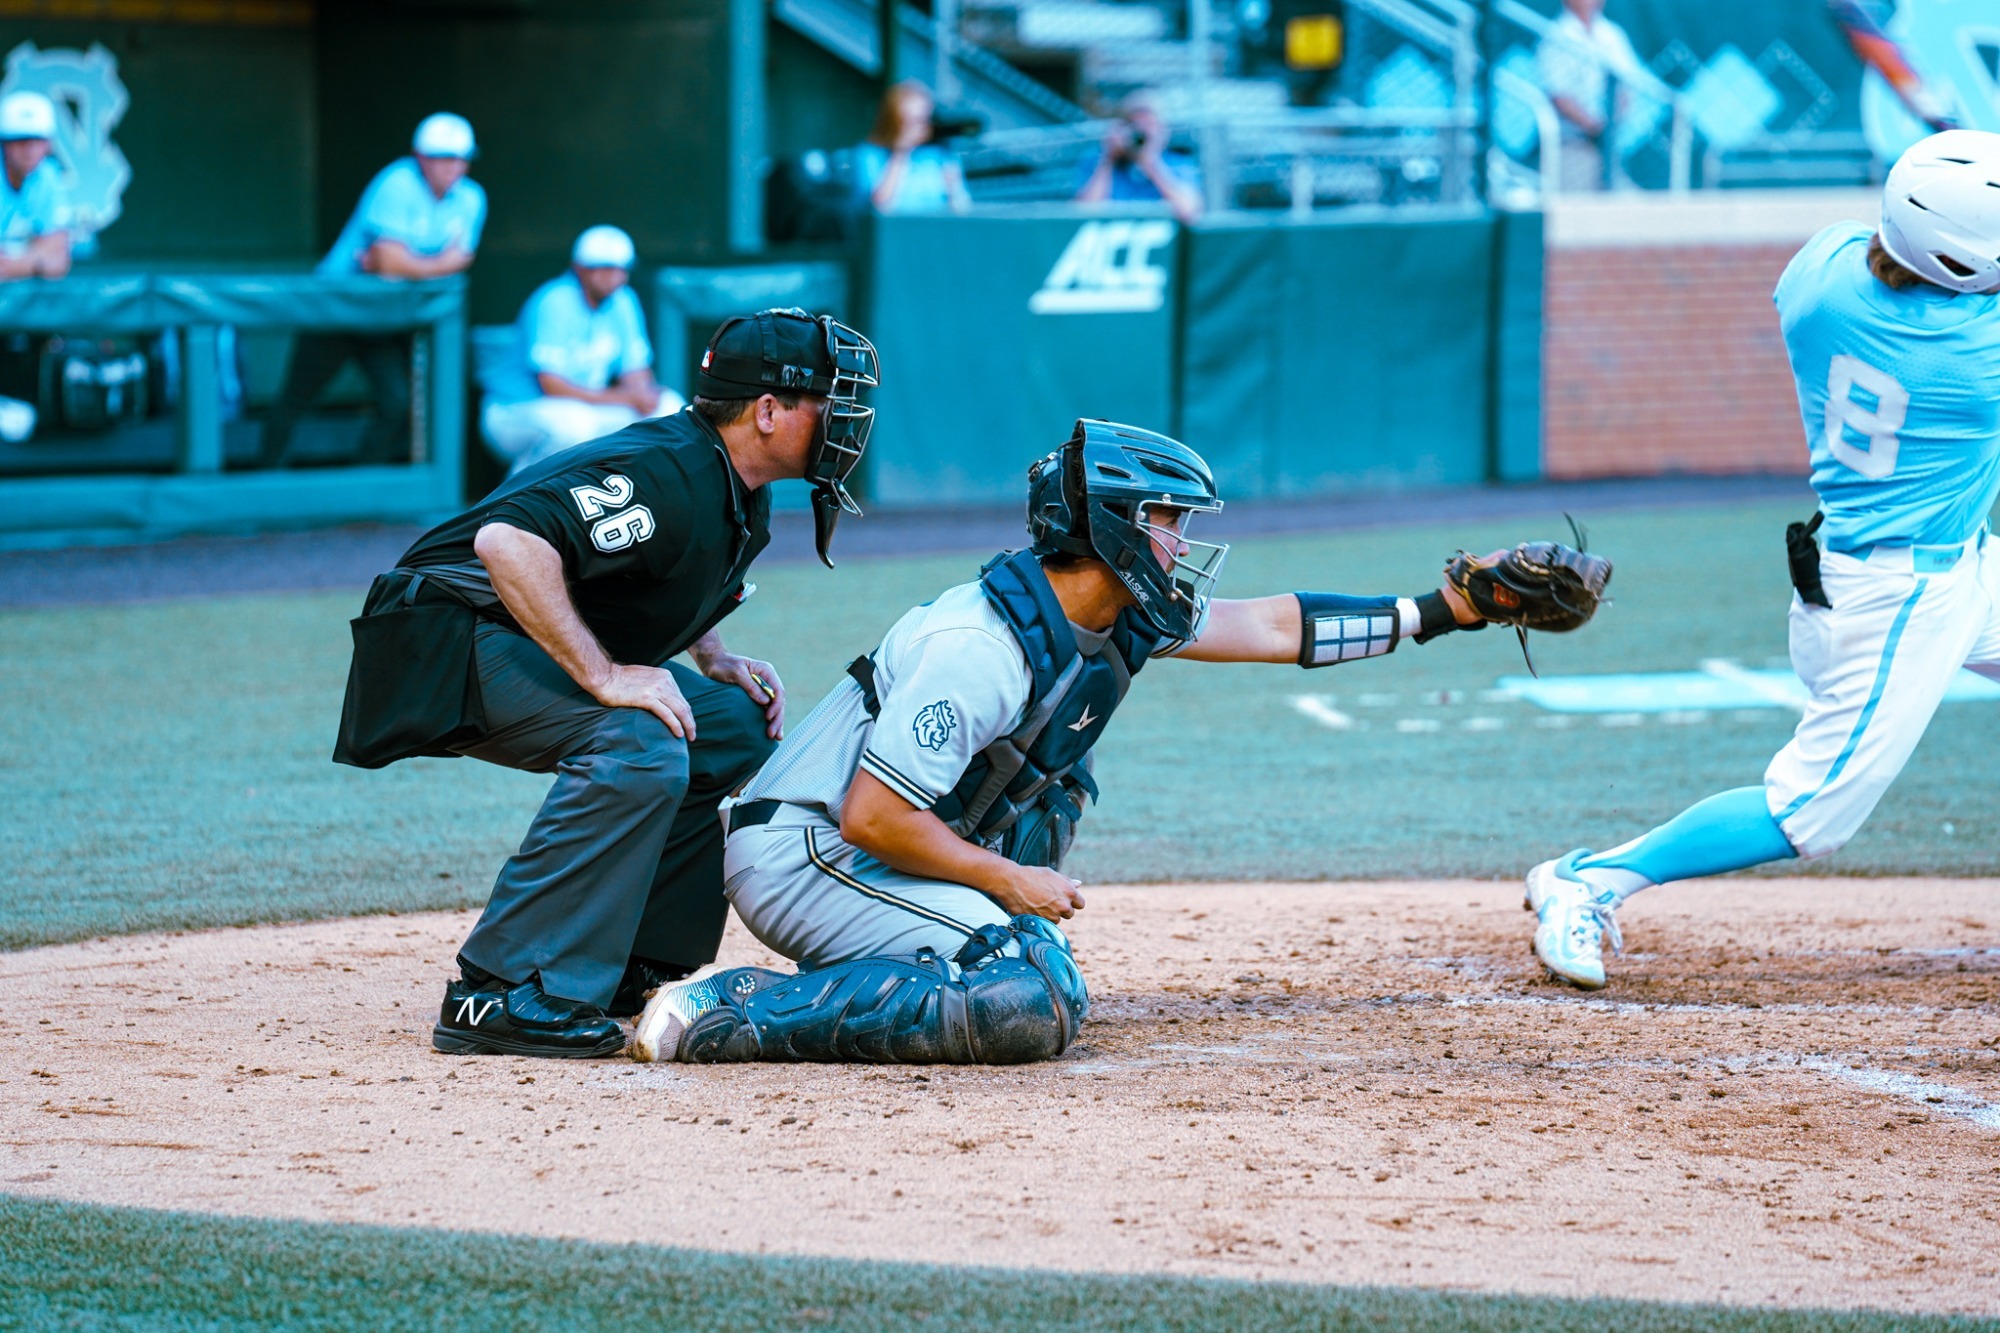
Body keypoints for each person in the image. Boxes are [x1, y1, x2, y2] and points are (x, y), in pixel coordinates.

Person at [630, 419, 1515, 1066]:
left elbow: (1276, 625)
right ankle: (735, 1009)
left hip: (857, 844)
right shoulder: (980, 650)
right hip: (805, 853)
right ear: (1118, 530)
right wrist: (1011, 882)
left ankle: (919, 948)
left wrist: (1447, 612)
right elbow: (871, 815)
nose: (1184, 543)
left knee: (1051, 798)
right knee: (1028, 992)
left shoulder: (1110, 611)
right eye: (1170, 521)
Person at [332, 308, 880, 1058]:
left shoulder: (732, 481)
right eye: (826, 401)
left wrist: (713, 656)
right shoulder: (673, 475)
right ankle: (498, 989)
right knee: (639, 738)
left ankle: (631, 963)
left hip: (498, 626)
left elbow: (646, 581)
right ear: (766, 411)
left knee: (728, 727)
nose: (844, 418)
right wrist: (604, 673)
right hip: (439, 631)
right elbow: (508, 543)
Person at [1525, 130, 2000, 990]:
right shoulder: (1972, 361)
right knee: (1808, 815)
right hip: (1895, 600)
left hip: (1950, 561)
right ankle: (1589, 879)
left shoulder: (1821, 275)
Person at [259, 113, 486, 468]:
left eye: (460, 158)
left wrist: (403, 263)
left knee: (397, 402)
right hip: (335, 305)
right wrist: (427, 263)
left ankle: (363, 484)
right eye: (442, 157)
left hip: (384, 317)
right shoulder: (397, 182)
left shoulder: (471, 198)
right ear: (420, 156)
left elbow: (452, 261)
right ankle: (265, 478)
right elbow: (391, 262)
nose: (453, 167)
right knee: (297, 397)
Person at [481, 224, 684, 477]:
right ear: (580, 268)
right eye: (605, 268)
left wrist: (643, 394)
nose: (614, 277)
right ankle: (514, 499)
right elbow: (552, 386)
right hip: (514, 411)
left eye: (620, 269)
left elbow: (635, 369)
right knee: (573, 425)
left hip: (583, 407)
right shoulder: (555, 300)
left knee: (669, 409)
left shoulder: (623, 300)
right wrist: (627, 397)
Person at [1534, 0, 1646, 193]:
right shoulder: (1556, 35)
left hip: (1610, 148)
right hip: (1570, 147)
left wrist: (1611, 124)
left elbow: (1627, 85)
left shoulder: (1613, 34)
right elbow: (1559, 97)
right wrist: (1596, 127)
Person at [1074, 92, 1202, 223]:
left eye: (1149, 125)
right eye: (1136, 124)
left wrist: (1150, 164)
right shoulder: (1099, 163)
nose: (1142, 133)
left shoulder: (1178, 165)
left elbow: (1189, 212)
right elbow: (1083, 214)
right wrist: (1108, 158)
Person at [855, 81, 970, 215]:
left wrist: (954, 190)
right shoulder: (870, 154)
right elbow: (880, 207)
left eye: (924, 119)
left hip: (928, 231)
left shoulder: (939, 155)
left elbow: (962, 209)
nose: (921, 127)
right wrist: (900, 153)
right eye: (911, 121)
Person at [0, 91, 71, 281]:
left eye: (37, 140)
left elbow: (58, 259)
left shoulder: (47, 175)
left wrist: (19, 265)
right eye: (20, 140)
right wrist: (35, 259)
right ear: (4, 144)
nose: (29, 150)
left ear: (48, 144)